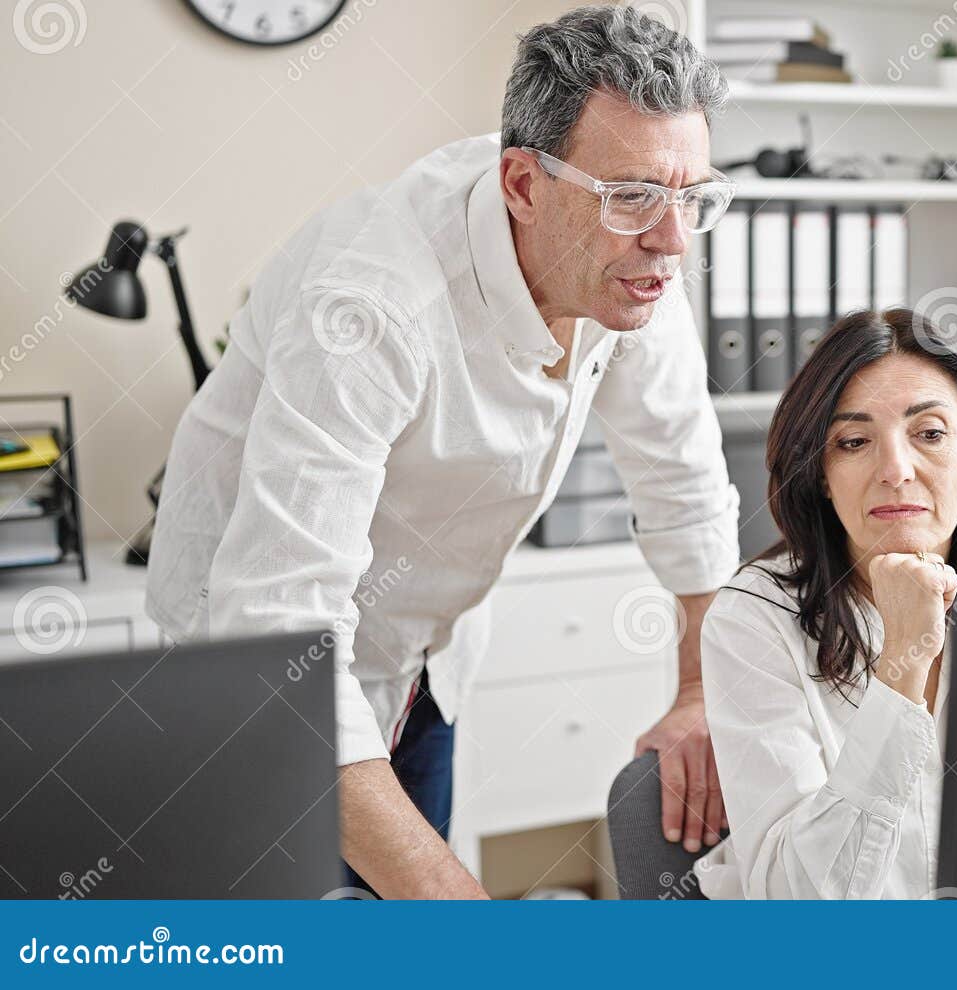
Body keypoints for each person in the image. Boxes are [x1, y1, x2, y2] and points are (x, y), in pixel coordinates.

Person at [145, 6, 740, 899]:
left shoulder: (629, 261)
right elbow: (277, 629)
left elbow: (685, 486)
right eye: (633, 196)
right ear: (524, 185)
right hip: (250, 672)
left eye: (692, 197)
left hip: (422, 654)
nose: (673, 240)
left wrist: (698, 694)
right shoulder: (370, 306)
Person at [692, 308, 957, 899]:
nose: (895, 470)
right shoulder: (753, 618)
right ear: (821, 471)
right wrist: (902, 663)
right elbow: (799, 898)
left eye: (930, 434)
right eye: (854, 442)